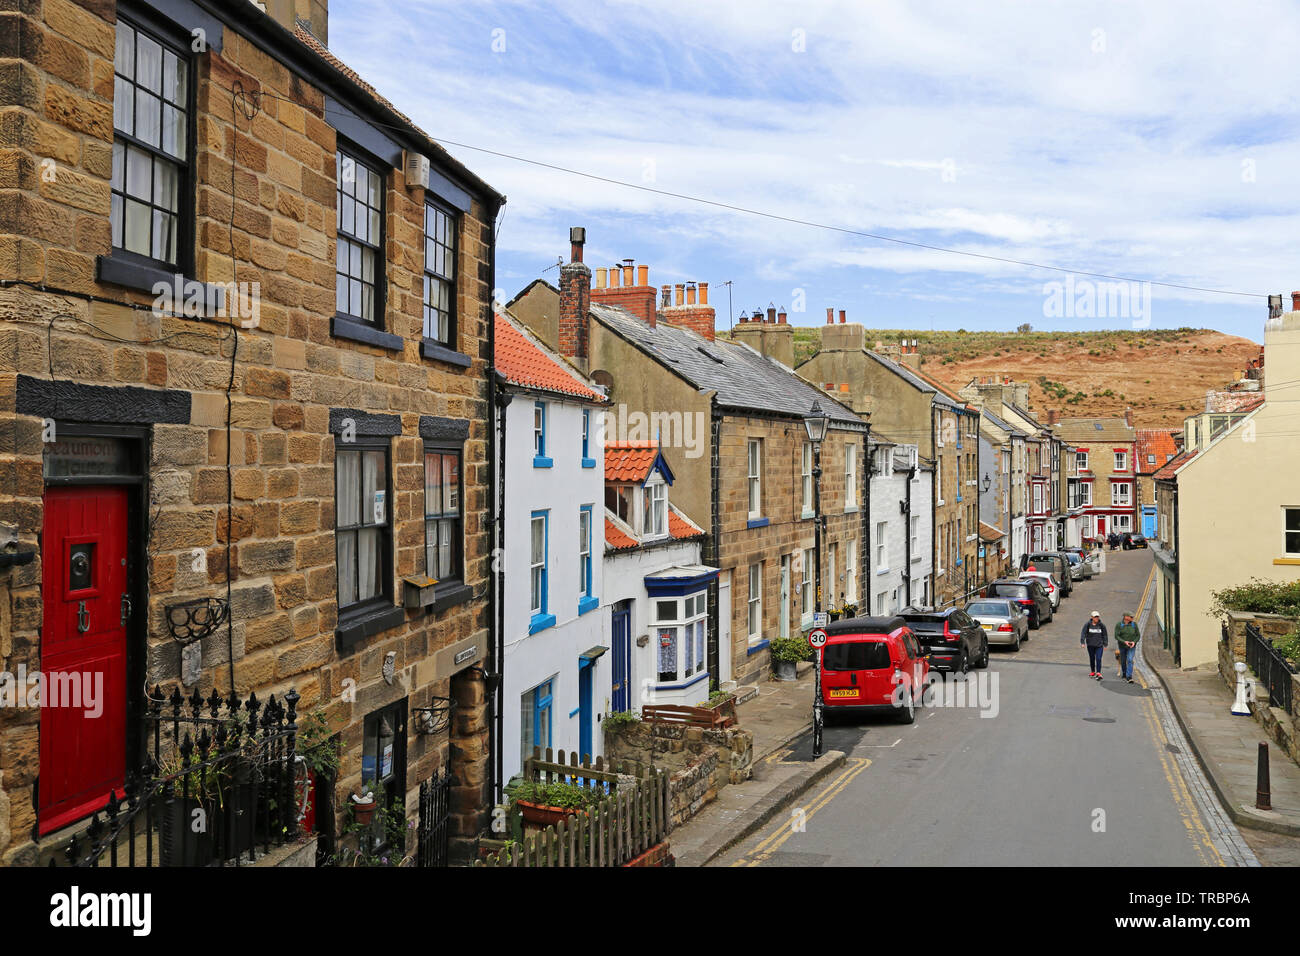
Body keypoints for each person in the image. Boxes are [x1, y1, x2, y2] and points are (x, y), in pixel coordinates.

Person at [1081, 610, 1108, 680]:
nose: (1097, 618)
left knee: (1098, 658)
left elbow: (1105, 635)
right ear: (1092, 617)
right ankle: (1093, 671)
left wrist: (1105, 644)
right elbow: (1083, 633)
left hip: (1099, 645)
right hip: (1090, 645)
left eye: (1097, 617)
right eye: (1095, 617)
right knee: (1092, 658)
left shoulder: (1101, 625)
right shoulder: (1087, 624)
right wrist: (1082, 642)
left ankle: (1098, 672)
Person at [1115, 612, 1140, 683]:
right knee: (1123, 660)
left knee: (1129, 659)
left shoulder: (1134, 624)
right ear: (1126, 617)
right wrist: (1124, 641)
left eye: (1132, 617)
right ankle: (1124, 673)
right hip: (1122, 646)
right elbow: (1116, 636)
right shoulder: (1119, 625)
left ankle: (1129, 676)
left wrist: (1134, 642)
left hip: (1132, 646)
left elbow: (1138, 635)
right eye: (1131, 617)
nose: (1132, 618)